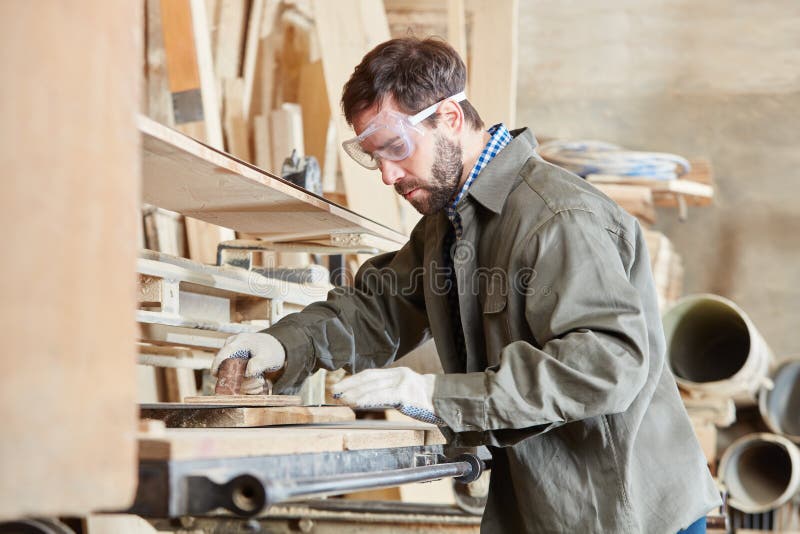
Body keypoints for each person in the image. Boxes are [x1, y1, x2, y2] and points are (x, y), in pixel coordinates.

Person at [211, 37, 721, 533]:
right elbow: (379, 309)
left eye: (396, 148)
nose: (387, 175)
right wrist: (283, 345)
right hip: (547, 506)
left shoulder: (558, 217)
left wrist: (439, 395)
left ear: (450, 118)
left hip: (621, 509)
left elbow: (606, 363)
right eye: (374, 156)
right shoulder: (449, 222)